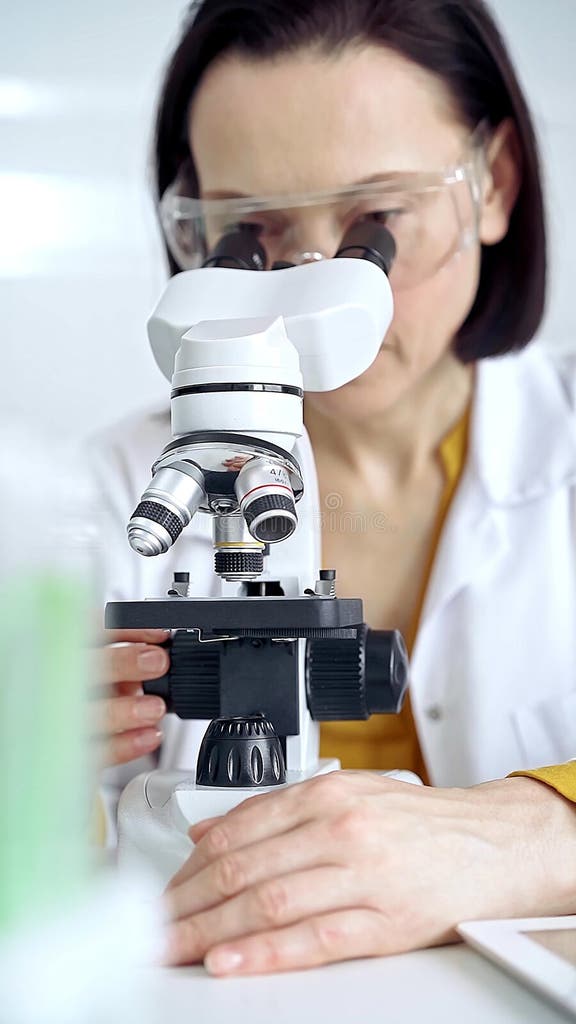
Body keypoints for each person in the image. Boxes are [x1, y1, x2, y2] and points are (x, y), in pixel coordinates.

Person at [91, 0, 576, 976]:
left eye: (375, 227)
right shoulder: (104, 482)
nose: (314, 293)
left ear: (494, 184)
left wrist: (527, 831)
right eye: (252, 235)